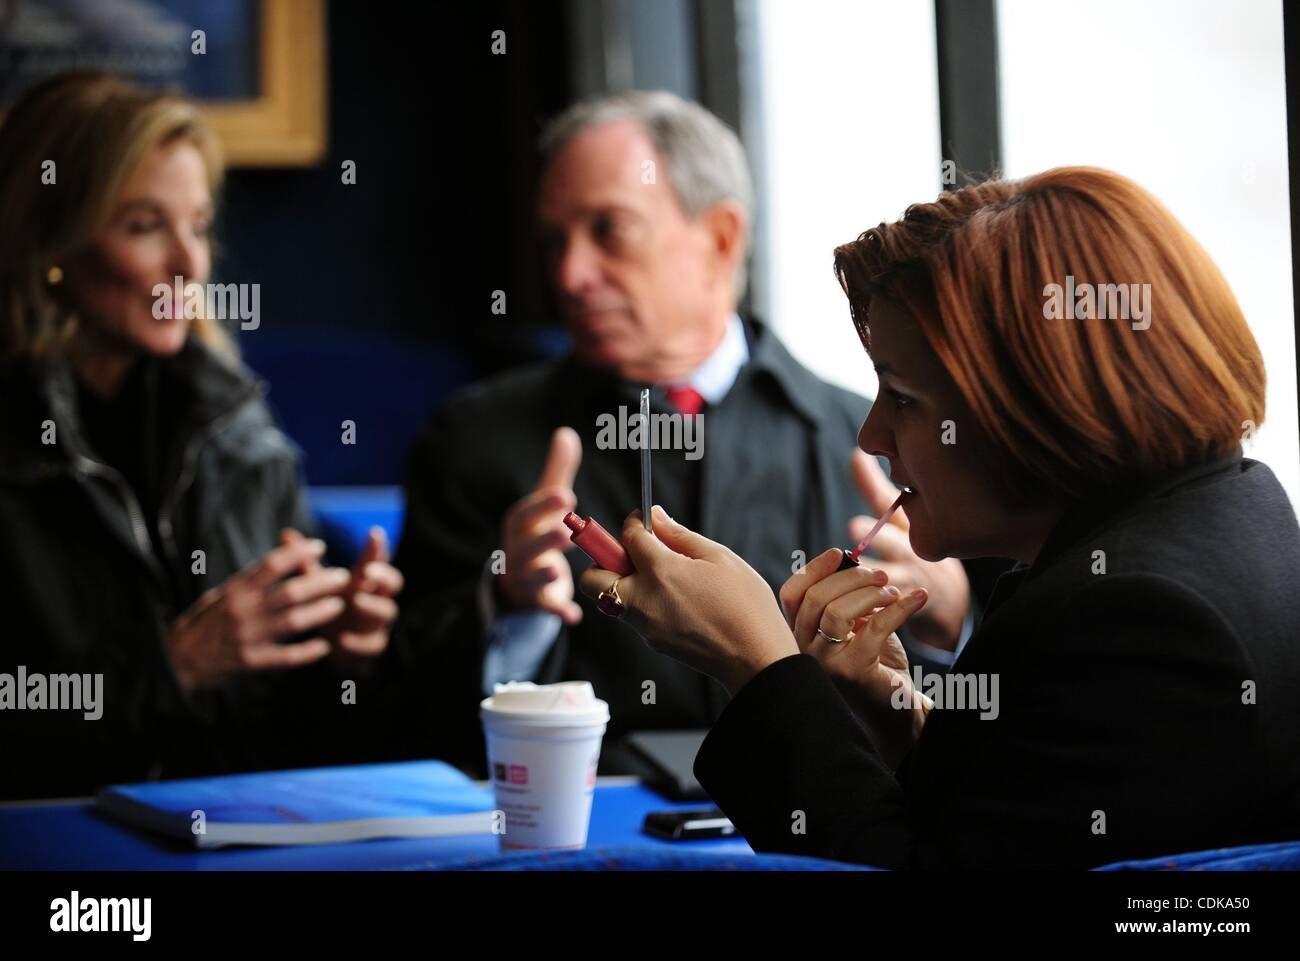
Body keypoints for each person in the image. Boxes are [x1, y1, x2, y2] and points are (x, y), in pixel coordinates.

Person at [576, 167, 1300, 868]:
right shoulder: (1227, 519)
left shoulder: (1139, 619)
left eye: (902, 397)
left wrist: (759, 662)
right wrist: (907, 733)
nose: (870, 435)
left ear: (1030, 400)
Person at [395, 91, 995, 776]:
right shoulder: (471, 438)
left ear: (720, 237)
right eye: (555, 241)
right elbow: (397, 714)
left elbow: (960, 764)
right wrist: (506, 609)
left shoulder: (870, 437)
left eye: (609, 230)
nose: (569, 275)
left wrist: (948, 626)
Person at [0, 72, 404, 800]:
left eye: (199, 225)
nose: (191, 265)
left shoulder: (239, 430)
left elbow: (290, 733)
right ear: (50, 239)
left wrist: (339, 656)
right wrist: (176, 665)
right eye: (144, 226)